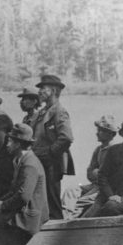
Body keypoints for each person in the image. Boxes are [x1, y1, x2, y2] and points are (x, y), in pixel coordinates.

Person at [0, 123, 49, 235]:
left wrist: (2, 205)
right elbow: (15, 191)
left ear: (18, 144)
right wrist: (0, 202)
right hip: (26, 213)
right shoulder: (23, 160)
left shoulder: (29, 164)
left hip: (28, 218)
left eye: (10, 141)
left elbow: (23, 197)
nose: (7, 144)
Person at [31, 74, 74, 220]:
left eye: (43, 88)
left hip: (51, 163)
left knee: (52, 199)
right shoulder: (43, 112)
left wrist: (50, 153)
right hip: (39, 161)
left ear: (54, 91)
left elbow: (66, 137)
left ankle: (55, 227)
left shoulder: (59, 111)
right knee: (39, 198)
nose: (39, 92)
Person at [62, 115, 118, 218]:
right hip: (95, 185)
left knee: (80, 202)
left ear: (110, 134)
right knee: (71, 190)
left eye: (100, 130)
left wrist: (99, 173)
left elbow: (114, 177)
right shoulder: (98, 150)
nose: (97, 133)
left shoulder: (116, 151)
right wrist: (97, 173)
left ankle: (68, 223)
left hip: (105, 189)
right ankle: (64, 217)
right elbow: (90, 172)